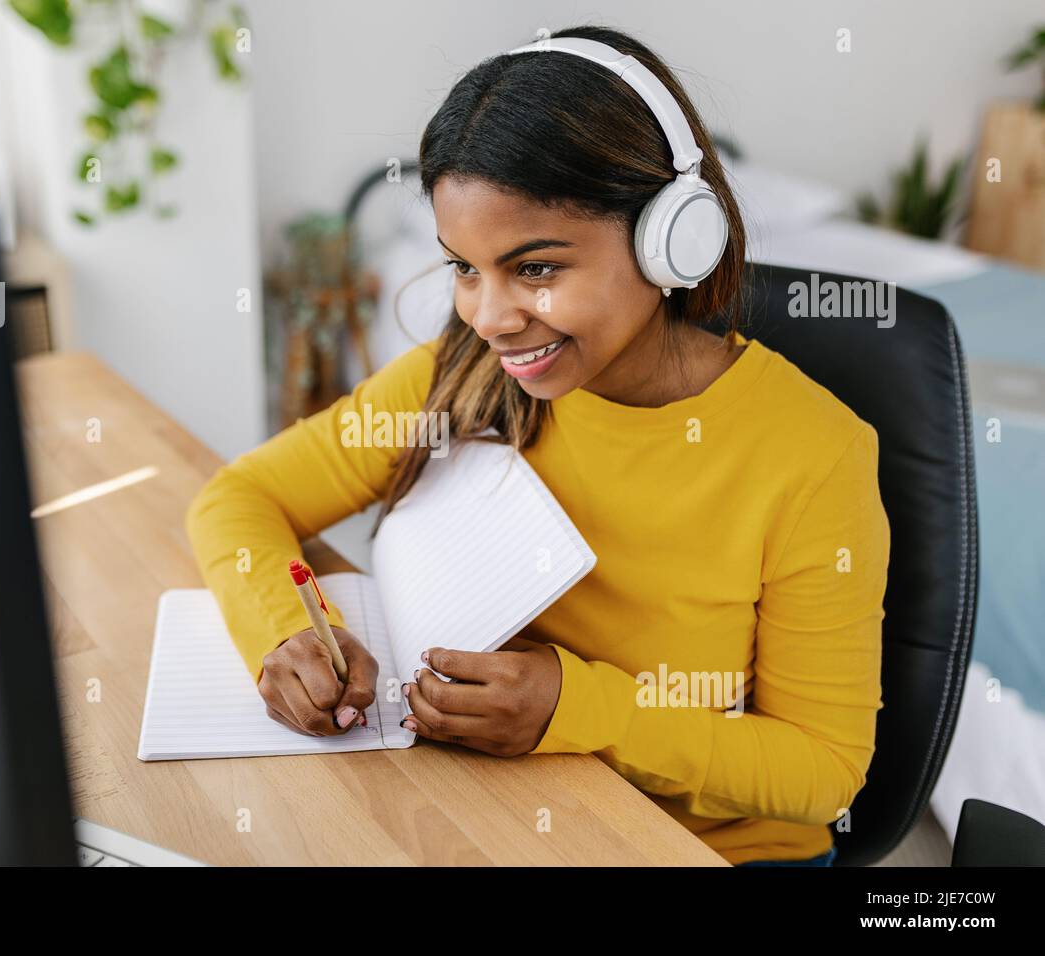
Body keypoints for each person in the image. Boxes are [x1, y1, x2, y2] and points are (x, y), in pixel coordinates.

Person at [185, 25, 887, 867]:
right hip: (503, 814)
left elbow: (824, 774)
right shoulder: (460, 374)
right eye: (465, 268)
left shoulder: (814, 455)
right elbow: (239, 499)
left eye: (537, 270)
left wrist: (579, 708)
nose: (490, 317)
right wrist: (289, 634)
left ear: (673, 239)